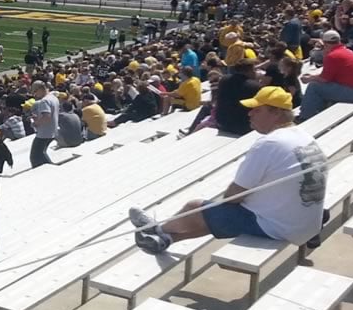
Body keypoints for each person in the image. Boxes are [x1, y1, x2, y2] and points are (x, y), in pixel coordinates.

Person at [132, 86, 330, 253]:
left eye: (257, 110)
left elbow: (232, 197)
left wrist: (219, 207)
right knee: (217, 216)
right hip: (306, 223)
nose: (250, 113)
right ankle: (167, 240)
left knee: (196, 207)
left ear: (276, 112)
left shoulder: (269, 143)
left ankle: (156, 229)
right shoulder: (303, 135)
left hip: (281, 227)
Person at [300, 29, 353, 121]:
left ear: (325, 44)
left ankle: (305, 116)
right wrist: (313, 76)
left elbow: (324, 79)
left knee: (314, 86)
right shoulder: (345, 51)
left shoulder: (332, 56)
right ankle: (317, 116)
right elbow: (330, 75)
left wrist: (309, 78)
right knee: (320, 87)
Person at [27, 81, 58, 167]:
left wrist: (36, 123)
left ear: (40, 89)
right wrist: (37, 118)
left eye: (35, 92)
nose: (35, 95)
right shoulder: (53, 97)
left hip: (44, 133)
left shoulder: (44, 101)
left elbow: (47, 117)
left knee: (35, 157)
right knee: (41, 153)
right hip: (52, 130)